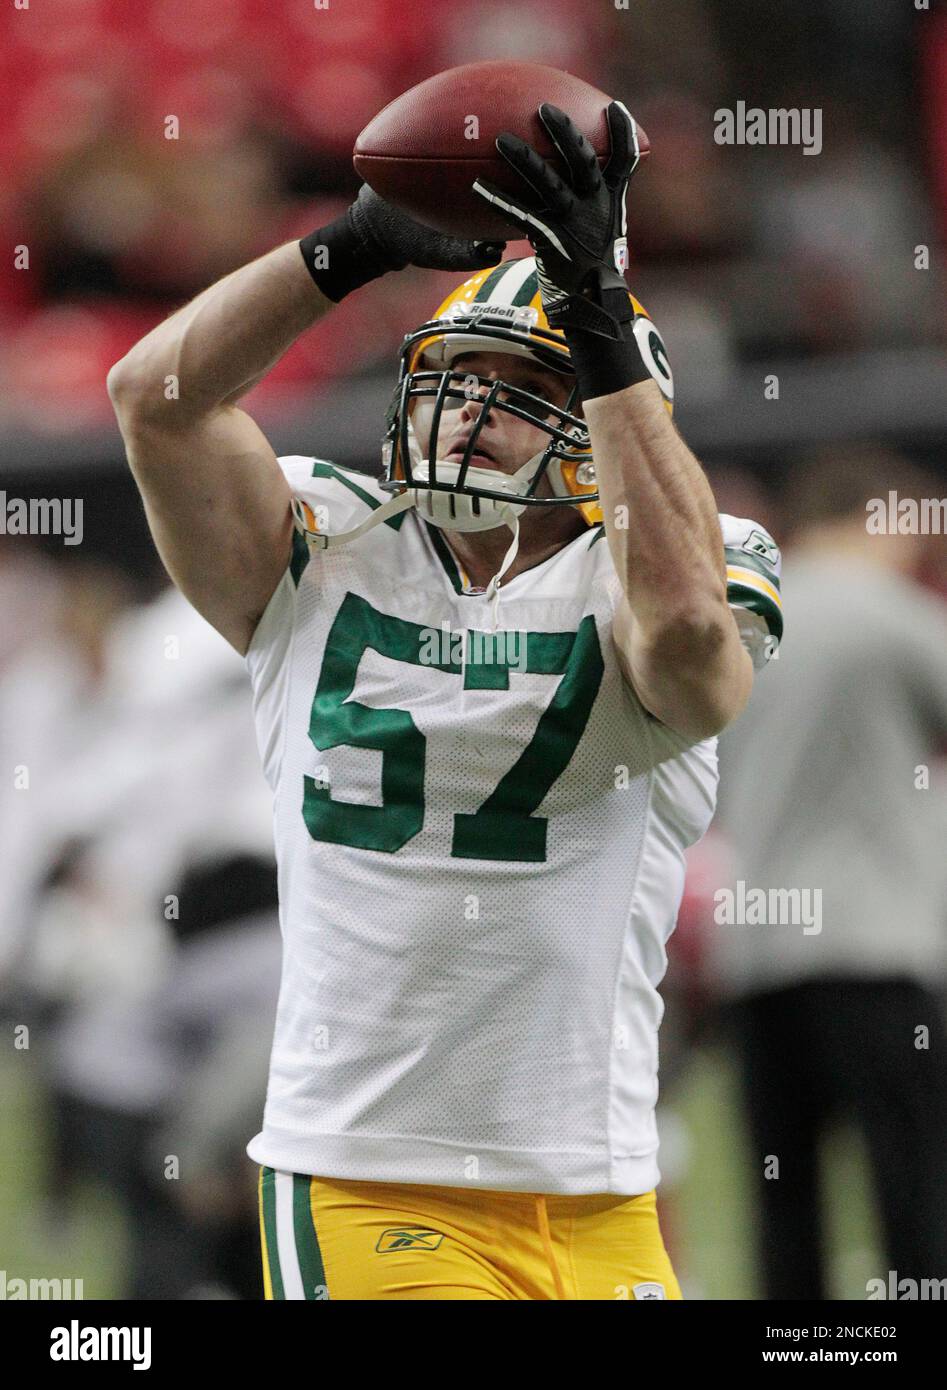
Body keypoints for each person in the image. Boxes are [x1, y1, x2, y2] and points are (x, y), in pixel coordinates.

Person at [108, 101, 782, 1300]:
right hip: (369, 1176)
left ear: (594, 428)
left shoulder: (673, 564)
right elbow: (153, 400)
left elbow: (684, 640)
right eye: (454, 381)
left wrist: (595, 310)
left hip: (600, 1187)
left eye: (515, 388)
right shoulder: (322, 542)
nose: (468, 414)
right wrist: (351, 245)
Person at [713, 447, 947, 1300]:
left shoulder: (740, 626)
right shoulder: (883, 614)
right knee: (913, 1196)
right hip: (875, 948)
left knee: (785, 1215)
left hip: (760, 957)